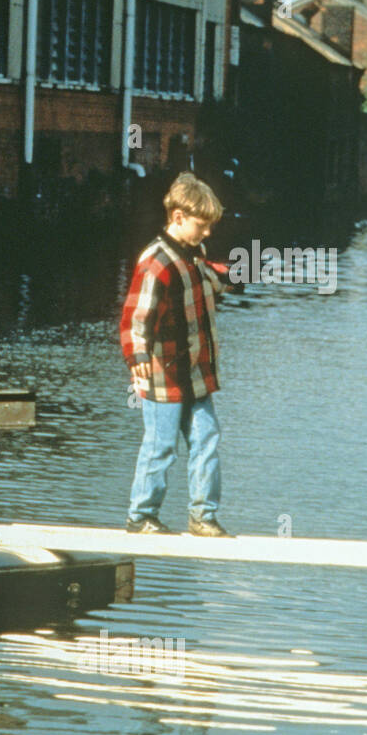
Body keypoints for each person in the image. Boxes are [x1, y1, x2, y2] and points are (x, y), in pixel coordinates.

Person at [120, 172, 233, 537]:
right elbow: (136, 320)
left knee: (206, 438)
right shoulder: (156, 263)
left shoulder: (193, 255)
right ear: (179, 217)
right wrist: (137, 362)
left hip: (195, 373)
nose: (208, 234)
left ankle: (203, 516)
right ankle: (141, 516)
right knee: (161, 446)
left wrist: (231, 275)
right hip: (162, 374)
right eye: (202, 225)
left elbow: (207, 283)